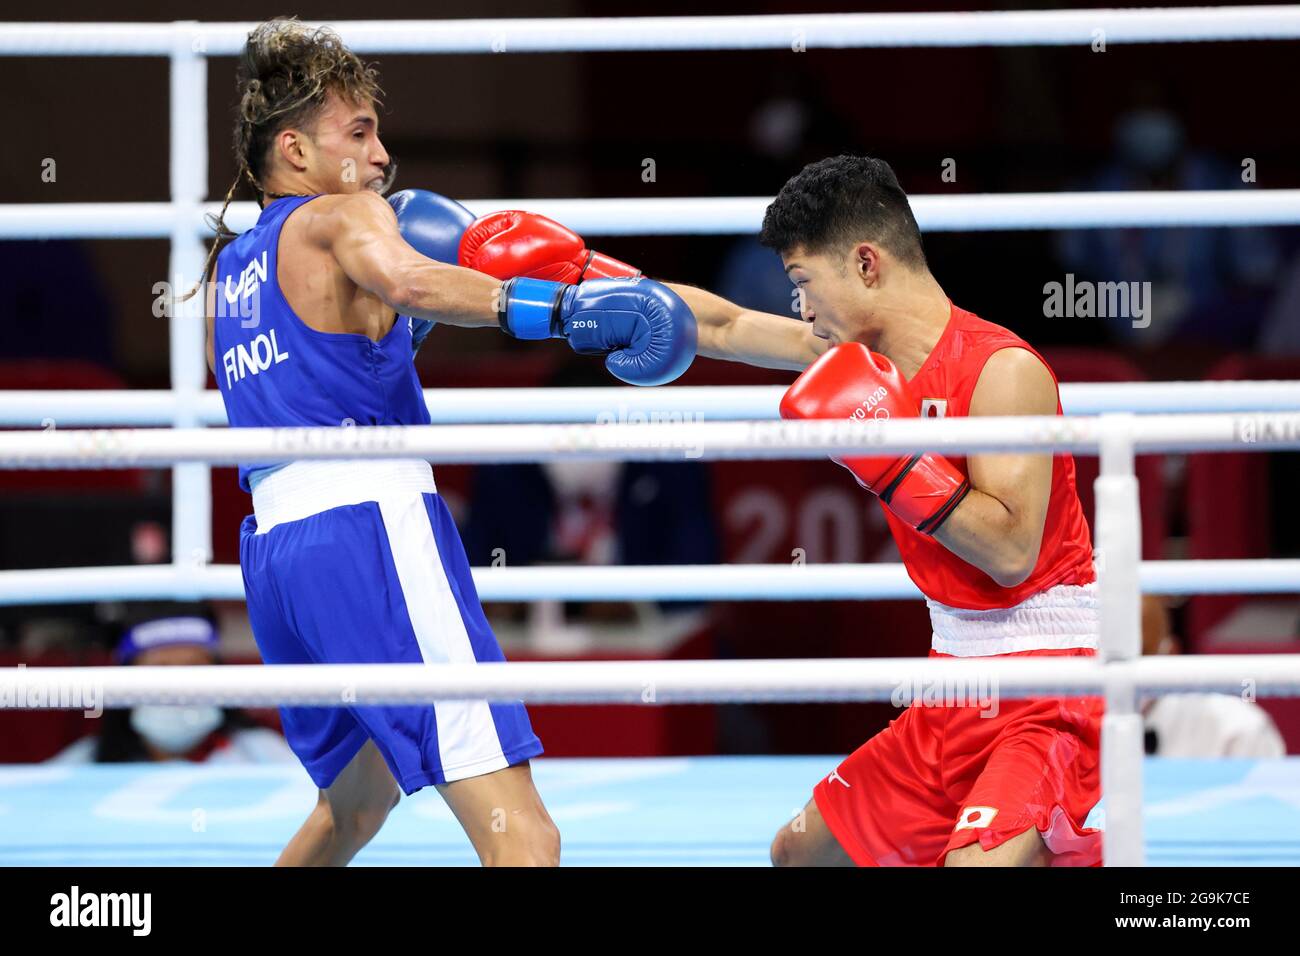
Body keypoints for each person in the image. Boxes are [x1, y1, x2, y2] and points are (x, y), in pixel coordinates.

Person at [460, 154, 1103, 866]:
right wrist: (587, 282)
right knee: (799, 854)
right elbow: (728, 325)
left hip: (1049, 683)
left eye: (803, 283)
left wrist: (890, 460)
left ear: (866, 264)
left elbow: (1011, 552)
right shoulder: (854, 357)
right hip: (955, 676)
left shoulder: (1002, 370)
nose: (798, 308)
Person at [191, 19, 696, 867]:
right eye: (359, 133)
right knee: (525, 836)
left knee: (353, 807)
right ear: (295, 149)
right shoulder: (341, 215)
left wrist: (397, 335)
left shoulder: (224, 274)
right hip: (368, 529)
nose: (382, 156)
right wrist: (552, 309)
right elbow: (410, 278)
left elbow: (305, 375)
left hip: (278, 557)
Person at [49, 615, 295, 765]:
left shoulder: (264, 754)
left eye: (194, 667)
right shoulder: (85, 765)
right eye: (161, 668)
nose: (179, 686)